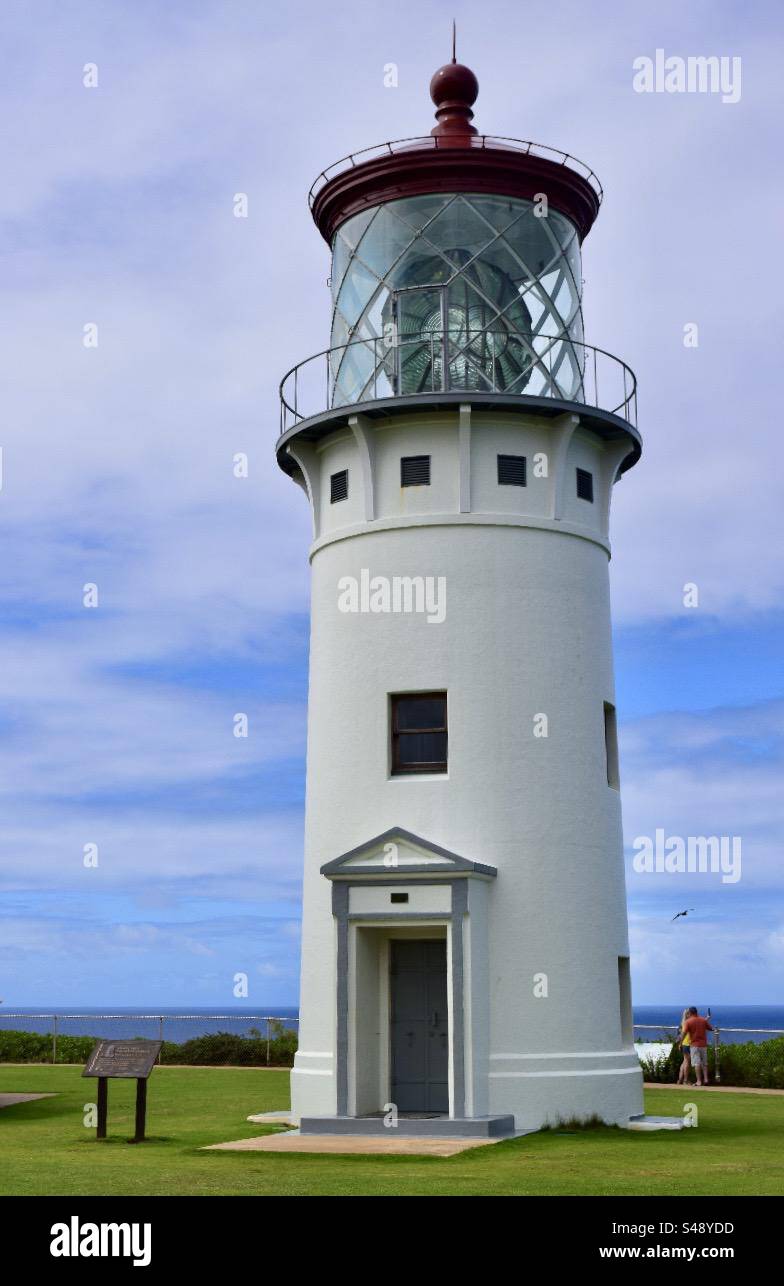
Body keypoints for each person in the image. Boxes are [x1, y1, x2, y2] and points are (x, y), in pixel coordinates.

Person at [683, 1006, 713, 1086]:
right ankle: (706, 1079)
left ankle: (699, 1081)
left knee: (697, 1063)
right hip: (703, 1045)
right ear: (696, 1012)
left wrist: (679, 1041)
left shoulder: (688, 1022)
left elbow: (684, 1033)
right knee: (704, 1063)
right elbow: (710, 1028)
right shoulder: (702, 1020)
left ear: (690, 1013)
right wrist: (707, 1019)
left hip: (694, 1045)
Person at [677, 1007, 692, 1084]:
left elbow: (680, 1034)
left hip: (683, 1044)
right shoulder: (688, 1023)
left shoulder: (682, 1023)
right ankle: (685, 1080)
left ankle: (680, 1079)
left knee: (684, 1061)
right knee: (687, 1062)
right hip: (687, 1043)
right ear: (688, 1014)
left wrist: (679, 1043)